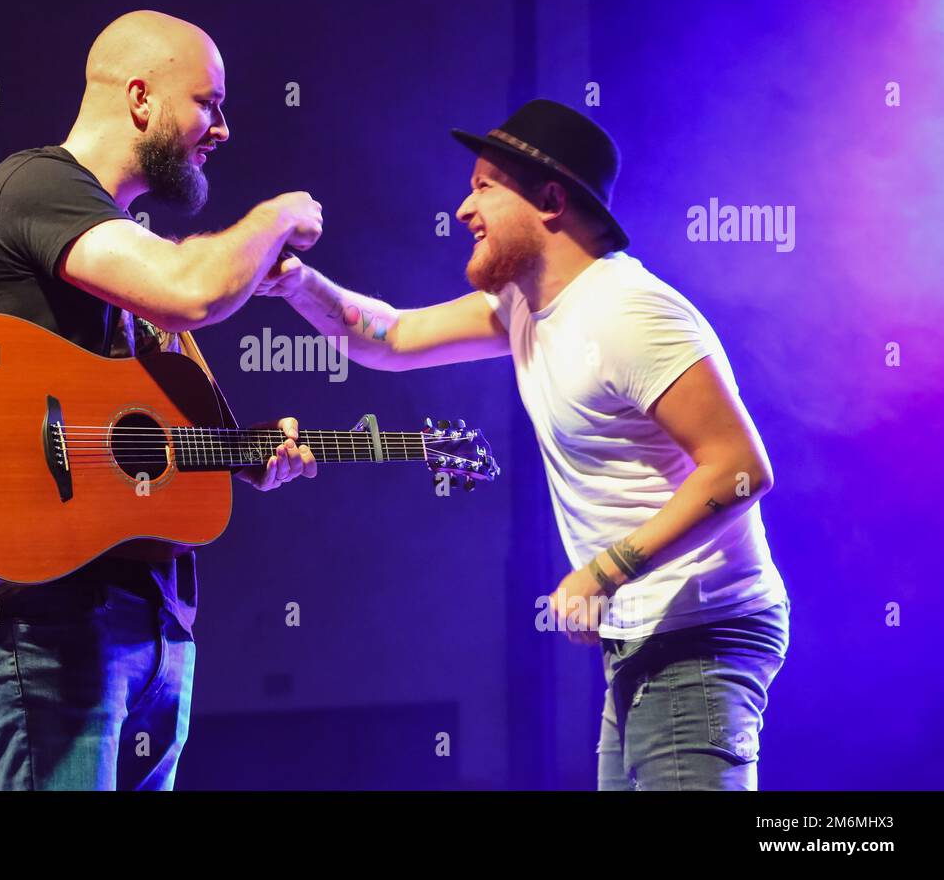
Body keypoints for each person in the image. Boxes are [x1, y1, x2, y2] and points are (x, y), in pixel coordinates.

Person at [258, 99, 790, 790]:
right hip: (643, 639)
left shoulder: (627, 313)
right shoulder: (523, 306)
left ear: (549, 199)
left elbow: (743, 469)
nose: (461, 209)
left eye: (483, 186)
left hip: (701, 635)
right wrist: (296, 281)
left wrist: (603, 572)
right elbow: (389, 339)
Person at [0, 10, 320, 790]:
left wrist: (238, 454)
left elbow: (122, 428)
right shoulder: (37, 186)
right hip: (53, 619)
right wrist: (280, 212)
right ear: (143, 99)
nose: (221, 129)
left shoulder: (110, 240)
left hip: (154, 616)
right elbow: (194, 290)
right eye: (209, 103)